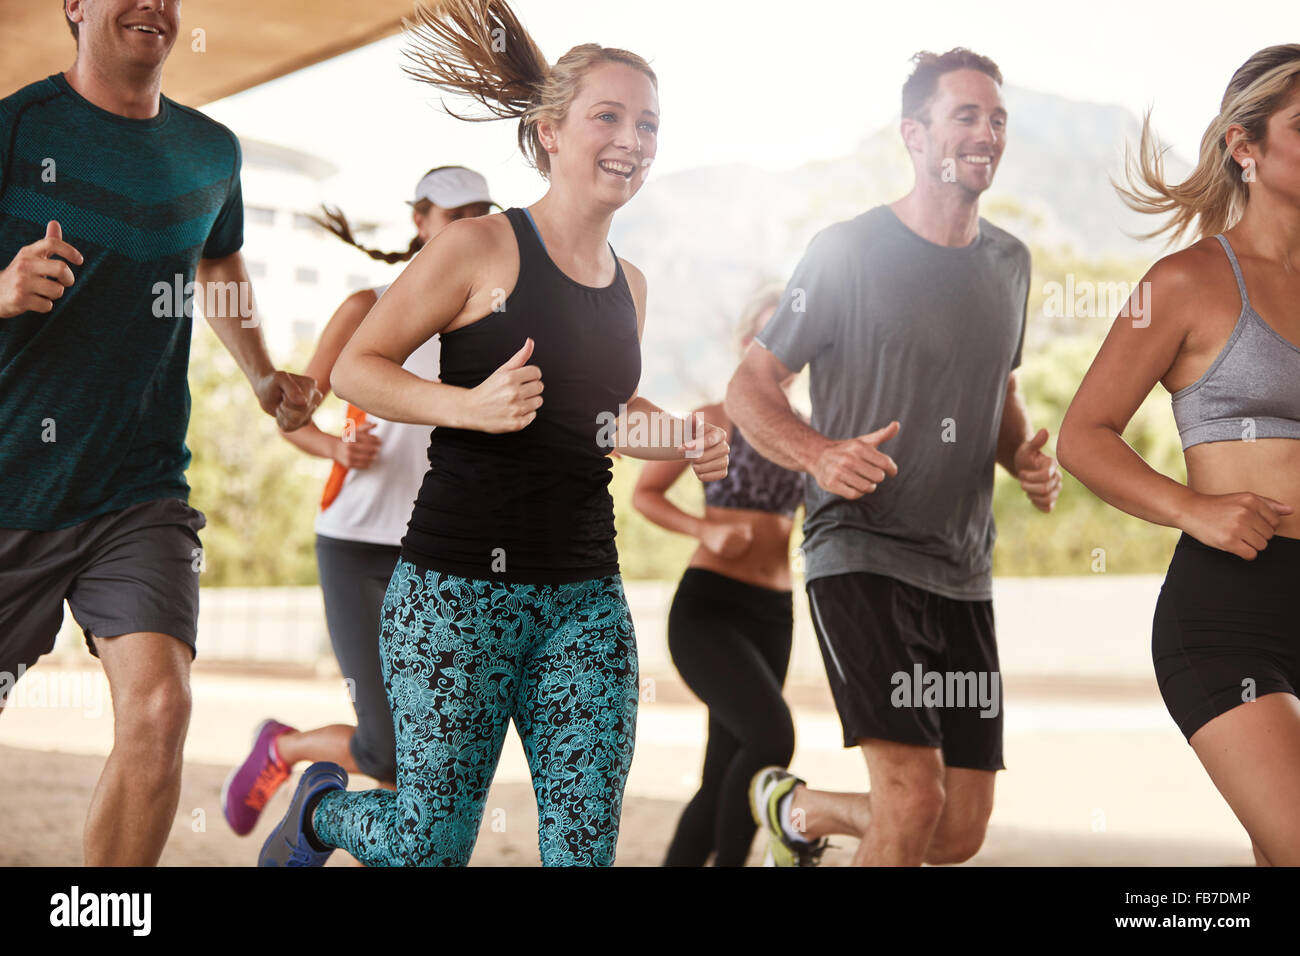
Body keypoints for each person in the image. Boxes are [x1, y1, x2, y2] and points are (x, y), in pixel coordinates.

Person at [257, 0, 729, 867]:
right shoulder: (479, 246)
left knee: (583, 851)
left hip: (584, 600)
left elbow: (602, 416)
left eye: (649, 123)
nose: (633, 138)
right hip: (452, 594)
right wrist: (466, 404)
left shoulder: (633, 286)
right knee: (429, 843)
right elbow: (361, 366)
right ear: (550, 132)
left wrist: (688, 438)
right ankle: (319, 815)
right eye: (609, 116)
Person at [0, 0, 320, 866]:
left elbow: (216, 259)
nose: (152, 4)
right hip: (10, 488)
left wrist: (261, 376)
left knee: (159, 709)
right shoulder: (18, 127)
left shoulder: (211, 150)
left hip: (137, 492)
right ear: (74, 5)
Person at [727, 48, 1062, 867]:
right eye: (966, 116)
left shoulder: (1010, 263)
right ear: (915, 134)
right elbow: (752, 384)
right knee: (913, 802)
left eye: (997, 119)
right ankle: (802, 813)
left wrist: (1022, 455)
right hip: (862, 548)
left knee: (957, 830)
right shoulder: (846, 252)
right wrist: (819, 455)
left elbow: (998, 389)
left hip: (963, 571)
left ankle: (796, 811)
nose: (987, 133)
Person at [1058, 44, 1300, 866]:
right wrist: (1192, 508)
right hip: (1231, 608)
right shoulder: (1185, 281)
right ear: (1246, 146)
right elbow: (1083, 434)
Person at [221, 167, 495, 836]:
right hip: (354, 546)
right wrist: (333, 447)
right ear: (421, 222)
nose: (469, 225)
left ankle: (311, 800)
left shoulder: (490, 318)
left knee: (432, 751)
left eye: (481, 212)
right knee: (390, 747)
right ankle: (284, 757)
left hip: (440, 551)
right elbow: (294, 418)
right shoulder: (365, 306)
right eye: (455, 213)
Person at [632, 287, 804, 866]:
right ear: (743, 343)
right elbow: (645, 495)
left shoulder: (808, 434)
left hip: (774, 615)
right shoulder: (708, 420)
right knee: (772, 737)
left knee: (725, 768)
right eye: (764, 332)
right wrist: (703, 531)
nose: (776, 346)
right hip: (709, 609)